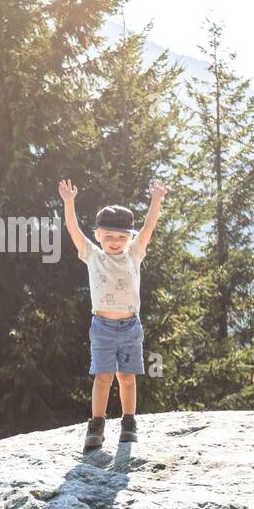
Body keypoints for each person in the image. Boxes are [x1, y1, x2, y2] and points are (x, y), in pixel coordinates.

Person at [58, 177, 167, 450]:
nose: (115, 242)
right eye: (108, 236)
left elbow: (148, 227)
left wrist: (156, 200)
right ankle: (96, 424)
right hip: (103, 327)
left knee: (127, 378)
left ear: (129, 238)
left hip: (130, 327)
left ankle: (129, 422)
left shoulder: (134, 253)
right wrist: (69, 203)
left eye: (121, 237)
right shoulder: (93, 255)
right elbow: (73, 229)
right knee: (103, 377)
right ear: (98, 235)